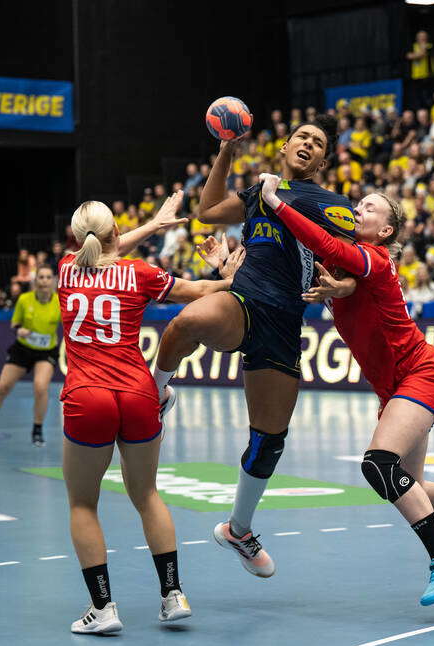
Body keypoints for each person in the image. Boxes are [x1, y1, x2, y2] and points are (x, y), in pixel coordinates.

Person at [259, 173, 434, 605]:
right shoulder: (345, 270)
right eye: (358, 205)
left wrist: (276, 202)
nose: (359, 209)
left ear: (387, 230)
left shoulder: (373, 257)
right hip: (394, 388)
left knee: (378, 465)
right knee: (415, 485)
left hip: (421, 374)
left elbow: (333, 247)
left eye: (370, 208)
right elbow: (327, 262)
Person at [152, 117, 356, 579]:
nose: (307, 143)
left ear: (323, 162)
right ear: (285, 146)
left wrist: (339, 286)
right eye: (302, 136)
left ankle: (239, 529)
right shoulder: (258, 194)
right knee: (189, 320)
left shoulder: (331, 204)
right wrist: (226, 148)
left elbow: (351, 258)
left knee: (268, 442)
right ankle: (158, 392)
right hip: (243, 300)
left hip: (285, 325)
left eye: (317, 143)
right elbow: (206, 211)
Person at [58, 192, 244, 634]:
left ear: (76, 238)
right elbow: (198, 291)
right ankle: (173, 595)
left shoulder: (67, 269)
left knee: (83, 503)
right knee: (147, 495)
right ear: (116, 234)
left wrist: (152, 228)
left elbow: (100, 250)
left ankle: (103, 609)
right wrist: (229, 277)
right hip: (139, 393)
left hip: (88, 396)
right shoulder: (140, 274)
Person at [0, 266, 61, 447]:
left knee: (40, 387)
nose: (44, 281)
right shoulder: (25, 300)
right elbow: (14, 324)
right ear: (35, 281)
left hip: (46, 351)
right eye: (41, 277)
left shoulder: (59, 302)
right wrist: (20, 330)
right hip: (23, 349)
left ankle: (37, 430)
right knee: (3, 387)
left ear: (53, 282)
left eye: (48, 278)